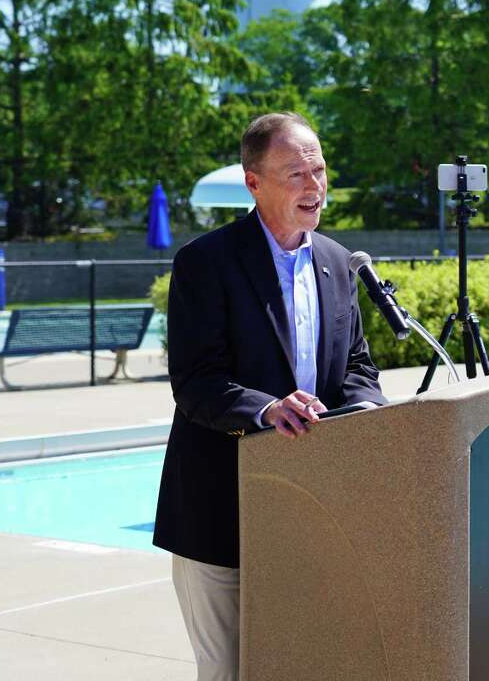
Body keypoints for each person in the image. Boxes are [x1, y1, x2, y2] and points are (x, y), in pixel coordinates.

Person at [153, 112, 388, 681]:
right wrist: (268, 409)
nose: (314, 186)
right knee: (230, 670)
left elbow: (357, 366)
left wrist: (365, 413)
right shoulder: (204, 262)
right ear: (253, 183)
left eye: (319, 170)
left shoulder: (338, 262)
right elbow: (196, 381)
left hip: (310, 509)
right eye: (296, 174)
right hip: (219, 511)